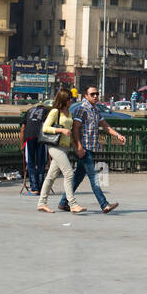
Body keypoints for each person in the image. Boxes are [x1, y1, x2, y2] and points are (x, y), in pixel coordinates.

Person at [60, 85, 126, 213]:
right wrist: (78, 147)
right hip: (84, 148)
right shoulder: (82, 109)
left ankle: (63, 202)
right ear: (86, 96)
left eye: (96, 94)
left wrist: (118, 135)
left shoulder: (95, 110)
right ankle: (104, 204)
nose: (95, 96)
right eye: (92, 94)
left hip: (91, 147)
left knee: (77, 177)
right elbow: (75, 129)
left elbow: (106, 127)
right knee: (93, 176)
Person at [39, 90, 83, 213]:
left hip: (65, 147)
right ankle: (72, 204)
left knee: (51, 176)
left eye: (72, 98)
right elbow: (45, 127)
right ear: (63, 99)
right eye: (69, 98)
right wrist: (61, 131)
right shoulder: (55, 112)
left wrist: (76, 146)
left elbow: (70, 132)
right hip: (55, 146)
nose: (71, 100)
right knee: (69, 174)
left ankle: (42, 203)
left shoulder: (69, 112)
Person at [20, 100, 49, 194]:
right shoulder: (47, 111)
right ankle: (40, 187)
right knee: (41, 162)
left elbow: (23, 128)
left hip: (29, 136)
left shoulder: (29, 111)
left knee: (30, 162)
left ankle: (34, 188)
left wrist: (22, 145)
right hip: (42, 136)